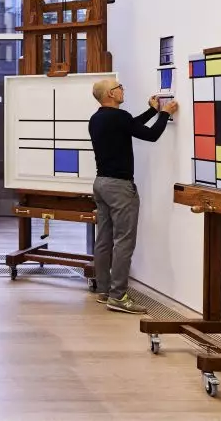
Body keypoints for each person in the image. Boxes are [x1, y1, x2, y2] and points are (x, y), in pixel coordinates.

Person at [88, 79, 178, 315]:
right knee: (124, 241)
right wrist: (165, 114)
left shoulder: (97, 118)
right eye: (119, 87)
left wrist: (152, 110)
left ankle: (104, 291)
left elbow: (130, 126)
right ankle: (118, 297)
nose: (123, 89)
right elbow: (150, 135)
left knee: (104, 240)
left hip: (101, 184)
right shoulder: (119, 117)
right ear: (111, 93)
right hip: (119, 187)